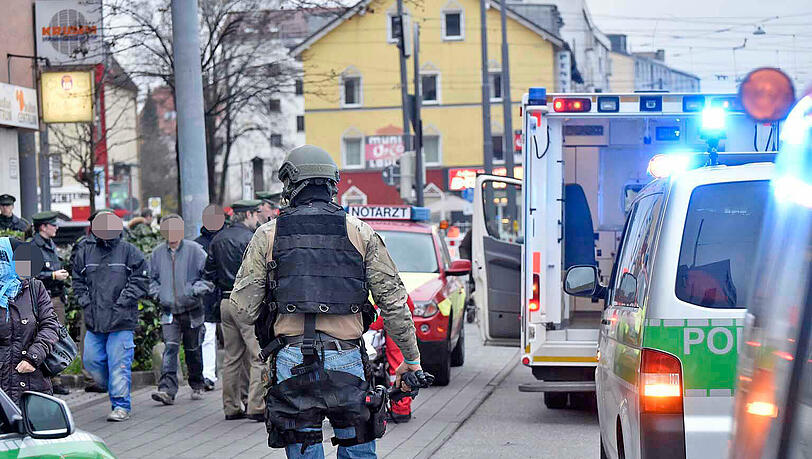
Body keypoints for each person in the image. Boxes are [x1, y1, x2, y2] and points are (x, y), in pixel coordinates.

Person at [230, 145, 423, 458]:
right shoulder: (360, 232)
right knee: (357, 447)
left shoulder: (267, 235)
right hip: (346, 357)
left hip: (291, 359)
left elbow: (242, 308)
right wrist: (411, 360)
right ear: (332, 185)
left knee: (304, 447)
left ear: (290, 184)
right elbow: (394, 303)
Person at [72, 212, 149, 422]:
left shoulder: (129, 251)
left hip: (121, 320)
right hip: (94, 320)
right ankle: (115, 388)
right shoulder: (85, 252)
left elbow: (141, 280)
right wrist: (85, 302)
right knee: (91, 361)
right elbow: (77, 280)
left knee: (119, 364)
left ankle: (121, 405)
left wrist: (123, 301)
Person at [204, 199, 264, 421]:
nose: (257, 218)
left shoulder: (218, 238)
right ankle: (256, 406)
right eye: (255, 213)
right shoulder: (251, 238)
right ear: (247, 214)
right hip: (247, 302)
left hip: (225, 302)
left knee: (232, 357)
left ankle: (230, 407)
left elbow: (208, 272)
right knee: (258, 356)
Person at [149, 215, 213, 405]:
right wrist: (158, 294)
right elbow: (151, 280)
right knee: (170, 348)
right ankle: (167, 390)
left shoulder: (195, 250)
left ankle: (197, 384)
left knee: (193, 349)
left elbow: (209, 276)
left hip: (192, 309)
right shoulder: (157, 253)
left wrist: (194, 291)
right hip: (168, 311)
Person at [0, 237, 60, 407]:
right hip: (2, 383)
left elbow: (50, 325)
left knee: (32, 422)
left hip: (32, 380)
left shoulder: (35, 288)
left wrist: (33, 357)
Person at [30, 211, 71, 395]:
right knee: (43, 338)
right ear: (43, 227)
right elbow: (28, 273)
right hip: (41, 300)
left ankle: (55, 379)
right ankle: (49, 380)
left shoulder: (51, 244)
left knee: (56, 339)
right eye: (53, 224)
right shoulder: (32, 246)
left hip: (55, 298)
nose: (56, 228)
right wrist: (53, 275)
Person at [195, 205, 226, 391]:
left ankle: (210, 375)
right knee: (207, 336)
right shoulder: (198, 244)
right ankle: (208, 375)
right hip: (211, 295)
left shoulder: (222, 240)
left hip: (222, 293)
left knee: (220, 337)